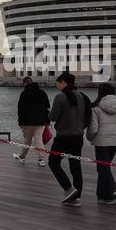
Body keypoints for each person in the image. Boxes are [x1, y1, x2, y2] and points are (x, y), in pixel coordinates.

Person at [47, 72, 92, 205]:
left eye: (57, 83)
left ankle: (68, 188)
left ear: (63, 83)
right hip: (78, 136)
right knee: (75, 166)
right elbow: (88, 117)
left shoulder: (60, 97)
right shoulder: (83, 97)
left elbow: (53, 117)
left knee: (53, 162)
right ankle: (77, 197)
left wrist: (47, 112)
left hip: (63, 137)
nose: (56, 86)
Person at [87, 83, 116, 203]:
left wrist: (89, 137)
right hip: (114, 142)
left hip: (101, 142)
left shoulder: (95, 108)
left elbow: (93, 128)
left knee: (103, 168)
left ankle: (111, 191)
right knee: (104, 167)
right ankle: (102, 195)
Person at [13, 74, 51, 166]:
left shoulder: (24, 94)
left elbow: (20, 109)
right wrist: (47, 121)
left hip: (27, 122)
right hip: (40, 121)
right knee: (38, 140)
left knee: (27, 140)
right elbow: (47, 108)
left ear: (25, 84)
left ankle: (22, 157)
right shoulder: (42, 93)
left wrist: (20, 122)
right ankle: (41, 159)